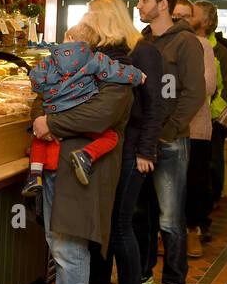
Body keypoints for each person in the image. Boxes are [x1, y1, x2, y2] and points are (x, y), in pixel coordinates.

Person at [27, 30, 136, 284]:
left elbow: (99, 117)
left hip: (80, 169)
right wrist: (42, 121)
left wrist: (52, 124)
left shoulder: (114, 74)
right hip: (55, 165)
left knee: (70, 246)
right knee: (58, 242)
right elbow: (40, 101)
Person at [79, 0, 164, 284]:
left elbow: (155, 105)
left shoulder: (143, 51)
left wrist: (147, 150)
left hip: (131, 153)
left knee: (119, 227)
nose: (87, 21)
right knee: (104, 224)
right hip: (110, 149)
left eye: (91, 16)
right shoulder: (107, 51)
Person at [135, 0, 205, 284]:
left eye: (143, 0)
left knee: (170, 216)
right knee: (142, 211)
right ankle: (145, 272)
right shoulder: (143, 41)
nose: (138, 5)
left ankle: (174, 283)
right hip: (142, 139)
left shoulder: (186, 42)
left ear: (163, 4)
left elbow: (195, 92)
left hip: (171, 141)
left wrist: (171, 130)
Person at [21, 20, 143, 198]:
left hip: (54, 109)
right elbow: (115, 71)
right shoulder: (95, 60)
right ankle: (86, 155)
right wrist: (138, 75)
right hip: (78, 112)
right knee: (111, 138)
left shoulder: (52, 60)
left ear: (69, 38)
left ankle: (35, 175)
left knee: (40, 136)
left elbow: (37, 80)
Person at [172, 0, 217, 257]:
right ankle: (165, 235)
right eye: (177, 15)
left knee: (194, 184)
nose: (181, 20)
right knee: (169, 185)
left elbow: (207, 86)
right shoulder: (160, 43)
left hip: (196, 127)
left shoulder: (202, 46)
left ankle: (192, 233)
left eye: (186, 16)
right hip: (168, 127)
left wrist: (179, 94)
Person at [198, 1, 227, 217]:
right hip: (192, 118)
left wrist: (212, 114)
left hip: (213, 117)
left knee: (213, 160)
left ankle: (213, 197)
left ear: (205, 21)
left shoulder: (221, 51)